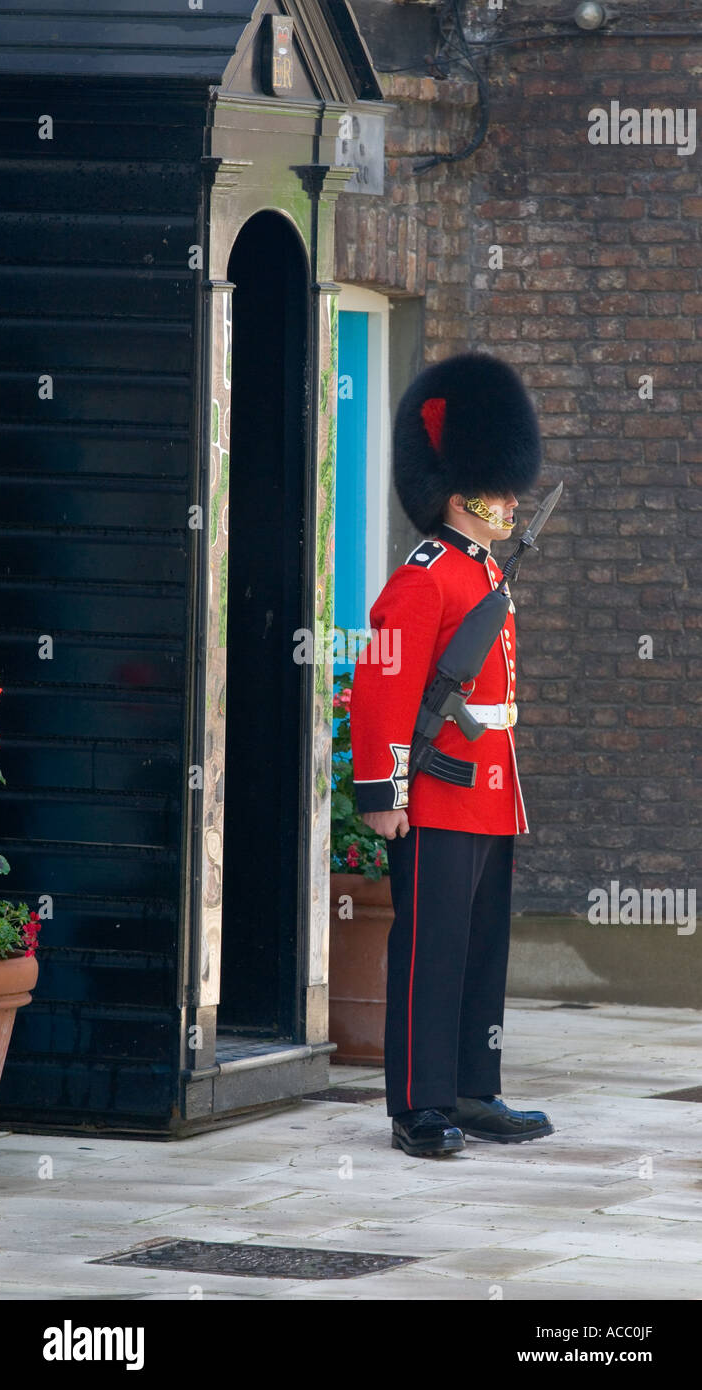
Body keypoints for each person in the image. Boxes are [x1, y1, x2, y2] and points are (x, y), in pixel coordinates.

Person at [349, 351, 555, 1157]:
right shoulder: (426, 577)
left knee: (479, 951)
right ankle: (418, 1105)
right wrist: (381, 790)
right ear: (458, 489)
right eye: (499, 487)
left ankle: (474, 1087)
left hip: (489, 792)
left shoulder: (481, 575)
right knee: (429, 952)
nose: (511, 499)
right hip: (436, 793)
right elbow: (382, 689)